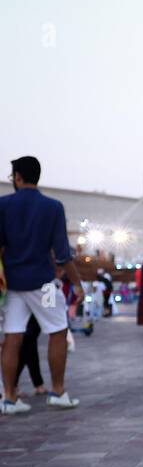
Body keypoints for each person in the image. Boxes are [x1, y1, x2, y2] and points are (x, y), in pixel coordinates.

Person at [0, 156, 81, 412]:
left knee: (13, 336)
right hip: (43, 283)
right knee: (57, 331)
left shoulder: (2, 206)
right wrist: (78, 284)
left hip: (12, 283)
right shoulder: (53, 207)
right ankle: (57, 391)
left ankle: (9, 397)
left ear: (19, 177)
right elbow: (63, 254)